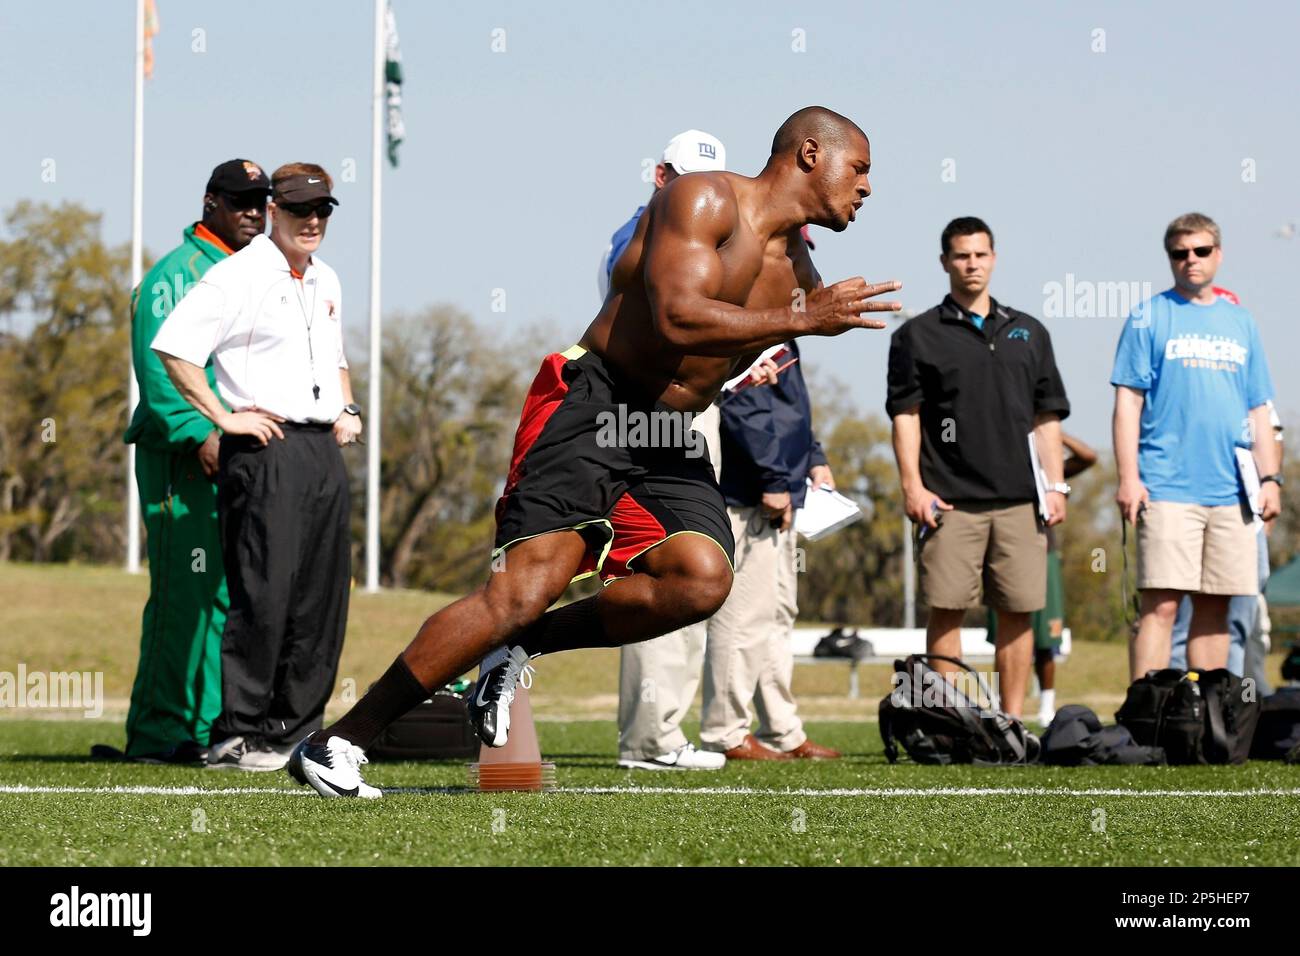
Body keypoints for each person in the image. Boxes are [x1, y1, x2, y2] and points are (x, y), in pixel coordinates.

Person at [288, 105, 900, 798]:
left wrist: (802, 331)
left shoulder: (801, 265)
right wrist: (798, 320)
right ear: (812, 154)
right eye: (862, 168)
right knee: (522, 593)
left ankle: (522, 649)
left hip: (668, 432)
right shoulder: (703, 198)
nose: (868, 187)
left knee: (701, 578)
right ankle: (336, 743)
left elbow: (737, 350)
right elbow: (676, 314)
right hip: (596, 402)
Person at [151, 163, 362, 771]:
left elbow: (337, 356)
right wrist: (224, 416)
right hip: (265, 449)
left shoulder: (327, 278)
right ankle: (237, 735)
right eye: (300, 210)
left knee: (321, 600)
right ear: (275, 213)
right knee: (263, 594)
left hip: (322, 449)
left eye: (322, 211)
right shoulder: (238, 274)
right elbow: (173, 346)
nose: (313, 221)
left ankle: (291, 733)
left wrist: (346, 406)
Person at [114, 159, 271, 763]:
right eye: (239, 201)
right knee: (185, 591)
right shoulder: (175, 276)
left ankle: (207, 730)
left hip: (236, 452)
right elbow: (160, 369)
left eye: (260, 201)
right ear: (211, 204)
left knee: (222, 595)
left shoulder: (247, 271)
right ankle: (159, 732)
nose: (253, 212)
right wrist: (200, 432)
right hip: (183, 455)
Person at [887, 216, 1070, 719]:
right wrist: (913, 488)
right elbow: (906, 417)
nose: (971, 264)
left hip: (1020, 501)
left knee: (1018, 612)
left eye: (980, 254)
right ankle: (951, 723)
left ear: (994, 258)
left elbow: (1047, 416)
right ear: (945, 262)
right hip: (948, 502)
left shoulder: (1030, 331)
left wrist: (1055, 487)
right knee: (946, 608)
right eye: (961, 256)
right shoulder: (917, 336)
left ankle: (1009, 723)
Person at [1112, 212, 1280, 681]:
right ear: (1169, 258)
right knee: (1160, 606)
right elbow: (1127, 401)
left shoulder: (1240, 321)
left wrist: (1270, 480)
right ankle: (1150, 716)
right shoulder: (1149, 315)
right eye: (1180, 253)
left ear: (1218, 254)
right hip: (1165, 486)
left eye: (1201, 251)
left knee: (1215, 608)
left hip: (1232, 492)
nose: (1191, 260)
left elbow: (1258, 408)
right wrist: (1129, 478)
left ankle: (1205, 721)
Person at [609, 129, 729, 771]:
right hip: (650, 417)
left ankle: (663, 733)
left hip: (688, 413)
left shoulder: (702, 236)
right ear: (660, 176)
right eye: (683, 180)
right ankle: (650, 738)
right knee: (668, 568)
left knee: (700, 570)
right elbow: (668, 332)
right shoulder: (637, 237)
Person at [698, 339, 843, 760]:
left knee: (778, 614)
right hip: (752, 493)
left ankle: (781, 729)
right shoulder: (748, 324)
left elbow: (790, 408)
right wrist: (774, 480)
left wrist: (814, 456)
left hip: (783, 489)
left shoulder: (782, 326)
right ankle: (725, 732)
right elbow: (744, 406)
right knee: (743, 617)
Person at [985, 432, 1097, 725]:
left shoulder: (1047, 470)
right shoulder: (1001, 465)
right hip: (1003, 552)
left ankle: (1046, 706)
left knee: (1046, 638)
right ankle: (1002, 705)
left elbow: (1088, 457)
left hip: (1043, 553)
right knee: (1004, 636)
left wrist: (1051, 432)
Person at [598, 128, 726, 299]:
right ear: (661, 176)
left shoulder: (714, 239)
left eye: (710, 184)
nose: (699, 193)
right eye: (689, 182)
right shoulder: (631, 237)